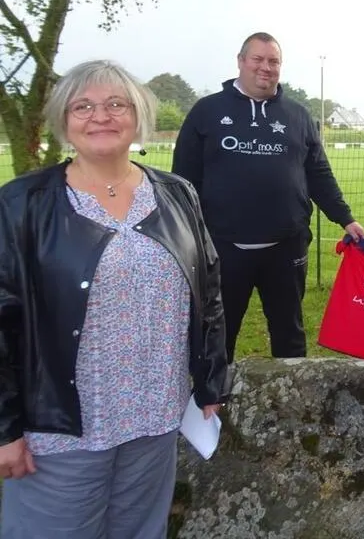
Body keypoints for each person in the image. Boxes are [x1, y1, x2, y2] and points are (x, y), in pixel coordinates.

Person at [0, 60, 228, 539]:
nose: (100, 116)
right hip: (62, 433)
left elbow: (208, 293)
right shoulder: (22, 203)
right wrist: (5, 428)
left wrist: (209, 382)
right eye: (83, 106)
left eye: (115, 104)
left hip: (155, 419)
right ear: (64, 119)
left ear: (137, 114)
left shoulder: (177, 194)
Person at [173, 32, 364, 362]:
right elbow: (183, 181)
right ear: (241, 61)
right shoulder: (207, 111)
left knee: (289, 333)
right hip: (222, 248)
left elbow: (318, 173)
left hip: (286, 247)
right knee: (218, 333)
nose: (266, 67)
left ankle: (292, 393)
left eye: (273, 61)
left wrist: (345, 218)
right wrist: (184, 235)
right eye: (258, 59)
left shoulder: (298, 115)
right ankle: (215, 394)